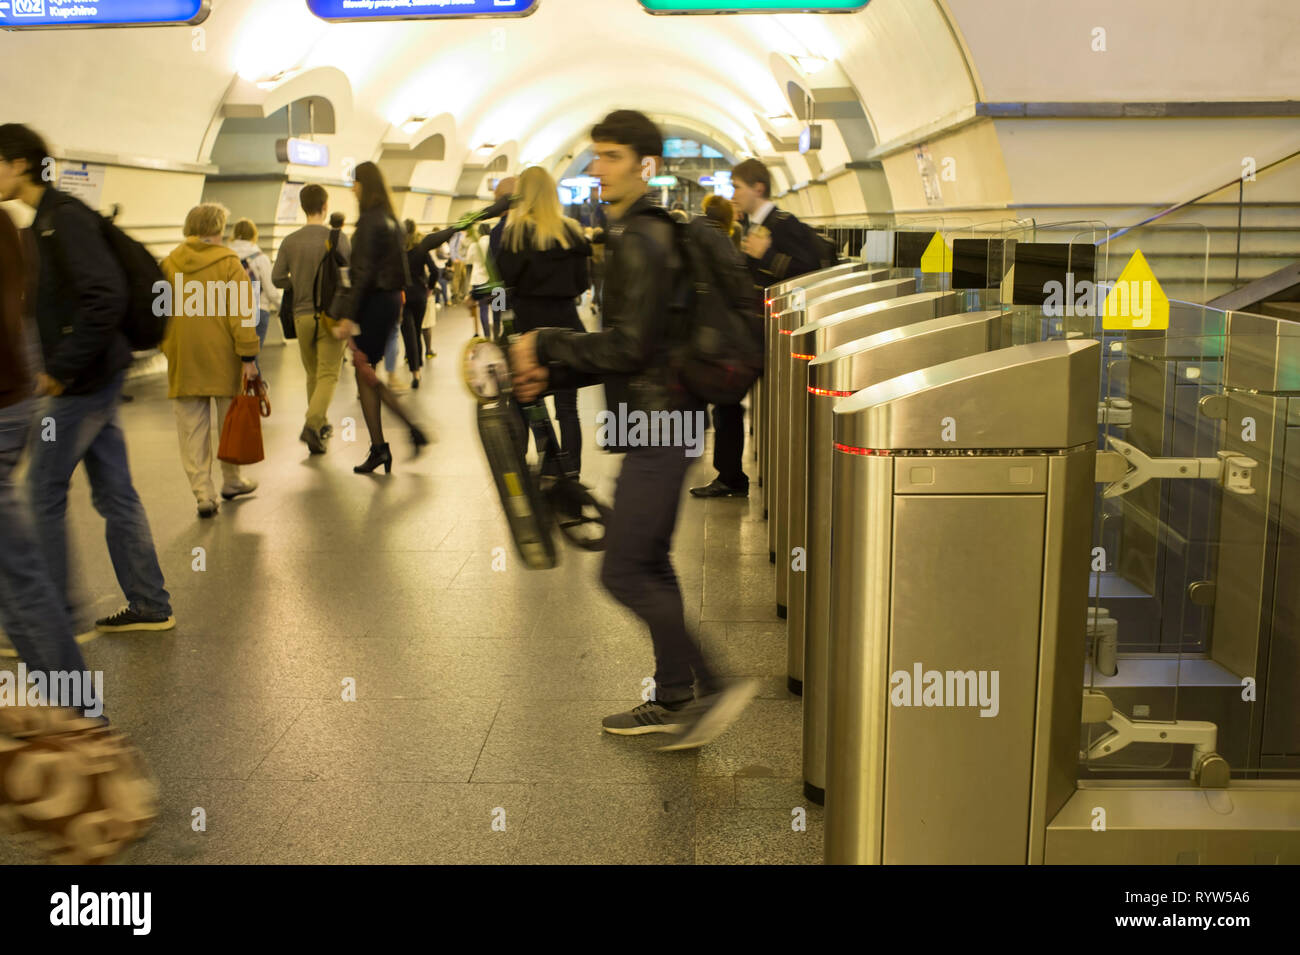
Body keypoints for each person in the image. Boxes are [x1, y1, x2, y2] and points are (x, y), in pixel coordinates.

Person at [510, 109, 757, 750]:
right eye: (596, 155)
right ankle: (675, 694)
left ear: (645, 165)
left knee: (620, 572)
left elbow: (627, 348)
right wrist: (554, 372)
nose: (597, 167)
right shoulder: (642, 232)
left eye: (612, 155)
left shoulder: (640, 239)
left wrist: (546, 342)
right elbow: (636, 351)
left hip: (660, 421)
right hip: (656, 415)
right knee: (646, 558)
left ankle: (714, 687)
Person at [0, 123, 174, 635]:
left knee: (41, 492)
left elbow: (105, 297)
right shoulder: (48, 220)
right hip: (96, 377)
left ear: (18, 165)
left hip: (82, 383)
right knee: (115, 491)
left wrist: (59, 369)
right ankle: (149, 603)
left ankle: (56, 621)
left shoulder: (64, 220)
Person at [690, 157, 822, 500]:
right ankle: (730, 474)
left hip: (776, 333)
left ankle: (733, 476)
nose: (732, 194)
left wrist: (766, 256)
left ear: (757, 188)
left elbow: (812, 273)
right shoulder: (750, 224)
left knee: (728, 397)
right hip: (754, 331)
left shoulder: (783, 224)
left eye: (737, 187)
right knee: (726, 398)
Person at [159, 203, 261, 517]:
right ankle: (232, 480)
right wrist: (248, 357)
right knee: (229, 421)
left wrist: (168, 348)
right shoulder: (231, 264)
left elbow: (160, 313)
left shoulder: (168, 264)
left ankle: (203, 494)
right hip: (224, 356)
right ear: (218, 229)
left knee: (191, 429)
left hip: (183, 357)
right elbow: (242, 315)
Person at [328, 161, 427, 474]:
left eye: (355, 182)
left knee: (364, 371)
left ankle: (408, 431)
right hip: (387, 301)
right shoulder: (391, 220)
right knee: (365, 372)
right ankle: (381, 446)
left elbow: (363, 273)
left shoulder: (370, 221)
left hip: (371, 302)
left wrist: (347, 316)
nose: (352, 188)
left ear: (364, 184)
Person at [495, 165, 591, 476]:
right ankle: (572, 469)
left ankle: (529, 466)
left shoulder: (516, 233)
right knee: (568, 408)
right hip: (567, 325)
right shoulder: (573, 232)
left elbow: (502, 284)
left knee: (526, 402)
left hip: (528, 329)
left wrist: (502, 319)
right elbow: (582, 284)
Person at [271, 183, 352, 455]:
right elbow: (349, 276)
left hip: (301, 316)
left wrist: (297, 283)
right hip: (330, 315)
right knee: (329, 373)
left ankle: (320, 425)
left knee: (312, 373)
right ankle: (311, 424)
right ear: (325, 206)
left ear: (302, 207)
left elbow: (277, 278)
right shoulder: (339, 238)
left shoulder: (290, 241)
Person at [228, 217, 281, 360]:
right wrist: (281, 307)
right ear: (254, 235)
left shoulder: (225, 257)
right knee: (252, 358)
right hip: (257, 309)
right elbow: (270, 290)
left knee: (234, 359)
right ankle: (253, 383)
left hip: (231, 311)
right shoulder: (260, 258)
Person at [401, 218, 436, 388]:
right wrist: (430, 287)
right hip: (420, 295)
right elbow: (435, 270)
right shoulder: (422, 249)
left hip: (403, 296)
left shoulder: (398, 251)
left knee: (408, 333)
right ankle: (418, 365)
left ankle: (415, 371)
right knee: (417, 330)